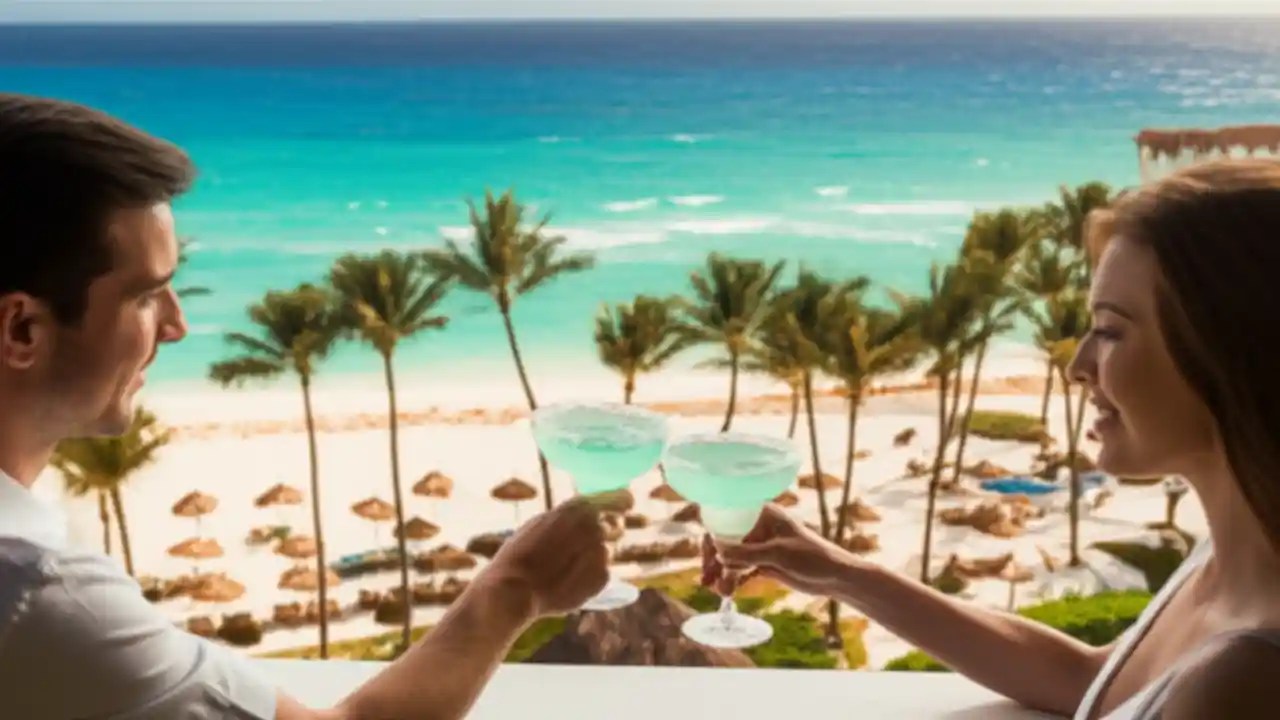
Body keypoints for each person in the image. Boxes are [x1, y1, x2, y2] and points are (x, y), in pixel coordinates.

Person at [0, 92, 617, 719]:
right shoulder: (44, 602)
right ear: (21, 330)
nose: (176, 325)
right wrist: (515, 588)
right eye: (144, 297)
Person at [705, 158, 1280, 719]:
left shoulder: (1244, 677)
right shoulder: (1225, 562)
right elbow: (1092, 683)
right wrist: (838, 572)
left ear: (1227, 353)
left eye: (1109, 331)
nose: (1078, 366)